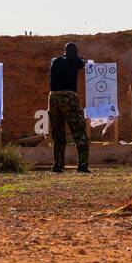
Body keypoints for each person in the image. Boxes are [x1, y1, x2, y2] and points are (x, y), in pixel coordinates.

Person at [49, 43, 90, 173]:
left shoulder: (55, 61)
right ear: (75, 52)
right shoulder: (75, 60)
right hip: (68, 96)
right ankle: (82, 166)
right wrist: (81, 58)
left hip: (53, 97)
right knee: (79, 131)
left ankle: (57, 165)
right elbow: (82, 63)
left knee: (58, 133)